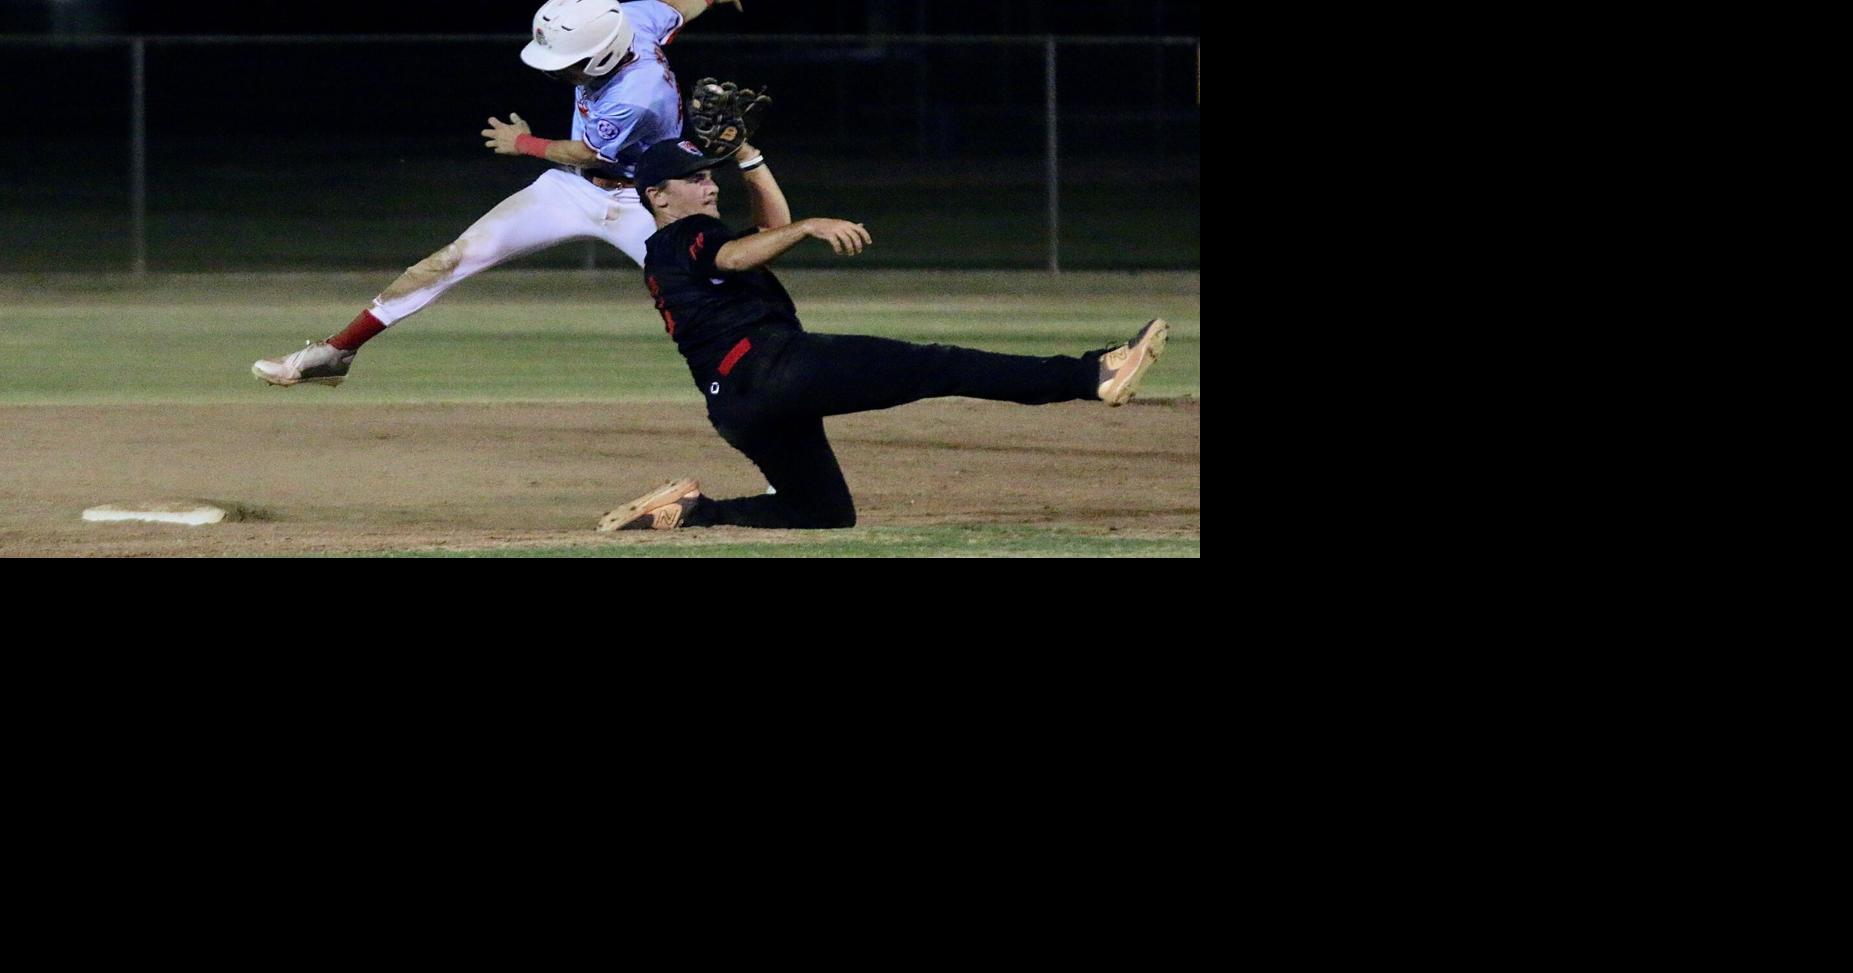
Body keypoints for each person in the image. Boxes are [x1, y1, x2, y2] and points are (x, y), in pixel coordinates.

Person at [598, 138, 1168, 531]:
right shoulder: (686, 236)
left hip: (738, 406)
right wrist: (812, 224)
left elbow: (769, 233)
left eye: (708, 175)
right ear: (658, 196)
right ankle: (1092, 373)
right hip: (774, 366)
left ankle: (697, 513)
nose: (709, 187)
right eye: (694, 178)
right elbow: (739, 252)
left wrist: (749, 157)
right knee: (938, 364)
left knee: (820, 512)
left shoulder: (674, 251)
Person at [251, 0, 742, 388]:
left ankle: (762, 393)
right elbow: (676, 6)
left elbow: (588, 152)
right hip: (573, 190)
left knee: (713, 294)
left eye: (567, 64)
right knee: (451, 259)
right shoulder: (627, 20)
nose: (557, 73)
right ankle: (336, 353)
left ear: (604, 55)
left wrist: (522, 143)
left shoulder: (637, 93)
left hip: (647, 201)